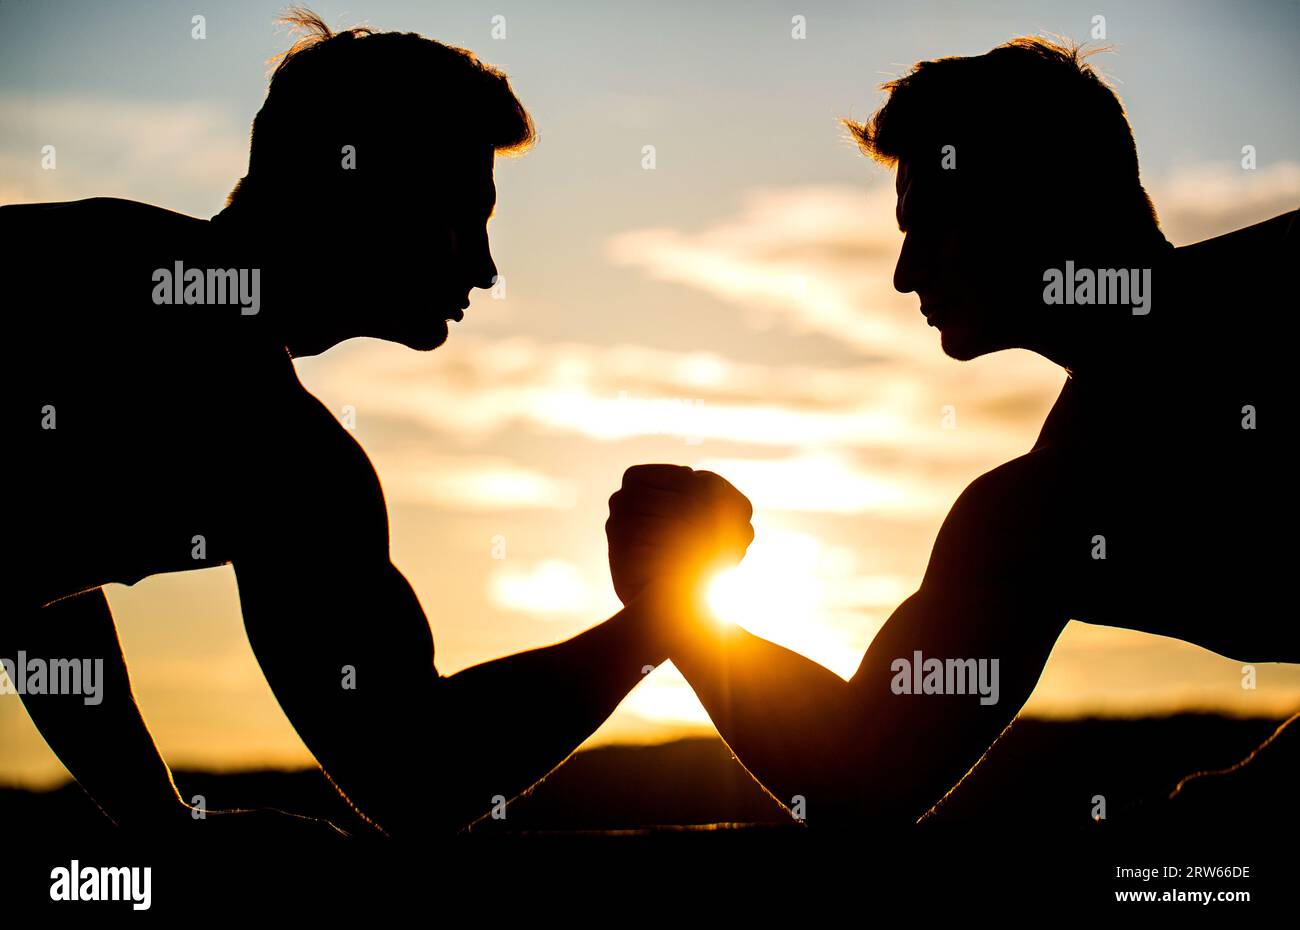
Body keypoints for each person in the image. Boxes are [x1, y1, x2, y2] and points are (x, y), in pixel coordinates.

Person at [10, 9, 751, 837]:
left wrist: (153, 821)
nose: (485, 264)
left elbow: (38, 570)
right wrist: (665, 618)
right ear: (360, 190)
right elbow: (418, 771)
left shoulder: (93, 269)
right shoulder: (281, 454)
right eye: (463, 215)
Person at [607, 37, 1298, 826]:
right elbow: (858, 775)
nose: (905, 273)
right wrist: (681, 613)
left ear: (1035, 204)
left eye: (930, 226)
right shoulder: (1035, 516)